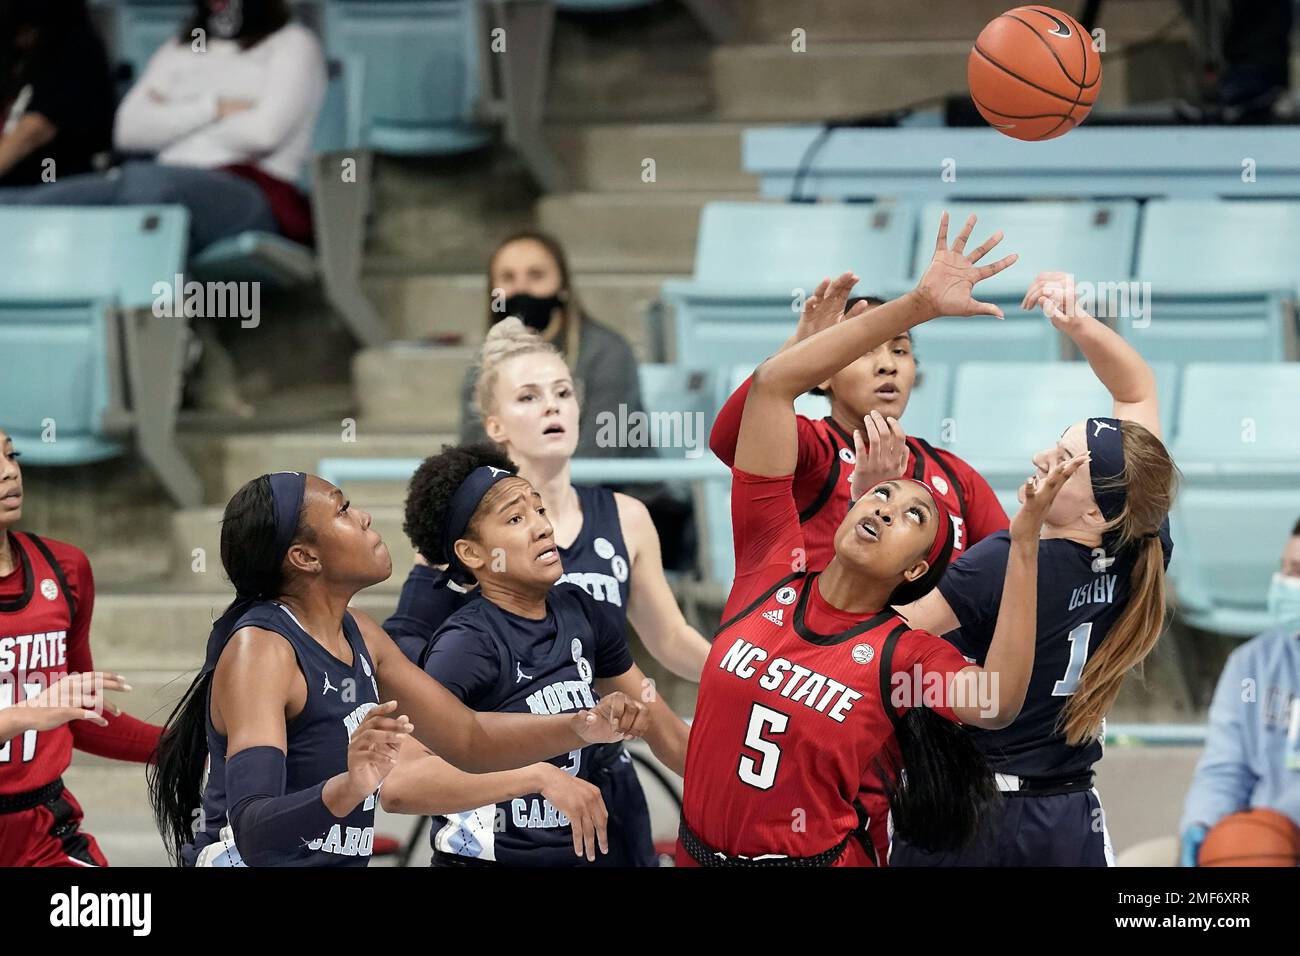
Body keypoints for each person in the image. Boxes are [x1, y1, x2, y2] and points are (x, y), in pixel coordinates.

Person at [677, 213, 1086, 867]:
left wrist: (1034, 540)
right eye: (876, 494)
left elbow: (999, 682)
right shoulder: (771, 556)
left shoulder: (906, 655)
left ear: (924, 560)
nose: (885, 501)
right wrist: (910, 308)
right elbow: (755, 410)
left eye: (904, 348)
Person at [147, 471, 648, 867]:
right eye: (343, 510)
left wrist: (580, 727)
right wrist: (350, 786)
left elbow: (468, 737)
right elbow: (254, 830)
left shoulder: (361, 633)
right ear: (304, 557)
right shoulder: (262, 651)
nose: (364, 517)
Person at [892, 271, 1180, 867]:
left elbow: (875, 641)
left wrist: (870, 504)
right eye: (1056, 444)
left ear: (1098, 510)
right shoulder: (1141, 541)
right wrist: (1077, 323)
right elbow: (1136, 392)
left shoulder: (1004, 561)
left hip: (967, 817)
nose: (1040, 459)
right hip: (1068, 812)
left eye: (1063, 463)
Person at [380, 443, 690, 866]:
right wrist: (537, 778)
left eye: (539, 511)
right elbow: (401, 786)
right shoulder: (466, 644)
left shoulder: (581, 610)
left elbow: (668, 734)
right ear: (472, 554)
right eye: (515, 518)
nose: (542, 527)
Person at [709, 274, 1008, 572]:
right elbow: (731, 440)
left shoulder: (955, 474)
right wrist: (797, 351)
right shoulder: (810, 445)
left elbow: (1007, 568)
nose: (888, 366)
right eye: (864, 351)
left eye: (900, 351)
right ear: (824, 375)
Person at [0, 0, 324, 252]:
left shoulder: (293, 44)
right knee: (22, 205)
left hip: (252, 192)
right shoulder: (182, 47)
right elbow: (128, 130)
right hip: (152, 180)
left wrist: (169, 119)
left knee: (150, 186)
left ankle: (143, 324)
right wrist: (214, 108)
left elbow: (262, 134)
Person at [0, 428, 163, 867]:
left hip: (43, 829)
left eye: (11, 456)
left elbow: (80, 714)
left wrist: (181, 746)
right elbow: (47, 710)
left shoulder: (66, 567)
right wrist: (25, 715)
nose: (9, 473)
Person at [1179, 517, 1300, 866]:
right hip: (1265, 841)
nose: (1284, 584)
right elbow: (1226, 768)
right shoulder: (1251, 666)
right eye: (1284, 569)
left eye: (1298, 571)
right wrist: (1202, 823)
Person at [460, 232, 645, 458]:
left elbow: (597, 456)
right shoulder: (483, 365)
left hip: (613, 489)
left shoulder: (606, 353)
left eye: (536, 275)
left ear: (563, 287)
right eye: (507, 278)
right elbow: (473, 455)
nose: (521, 289)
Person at [0, 0, 115, 186]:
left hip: (55, 175)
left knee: (48, 180)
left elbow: (36, 129)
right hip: (19, 186)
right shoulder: (18, 57)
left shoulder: (72, 46)